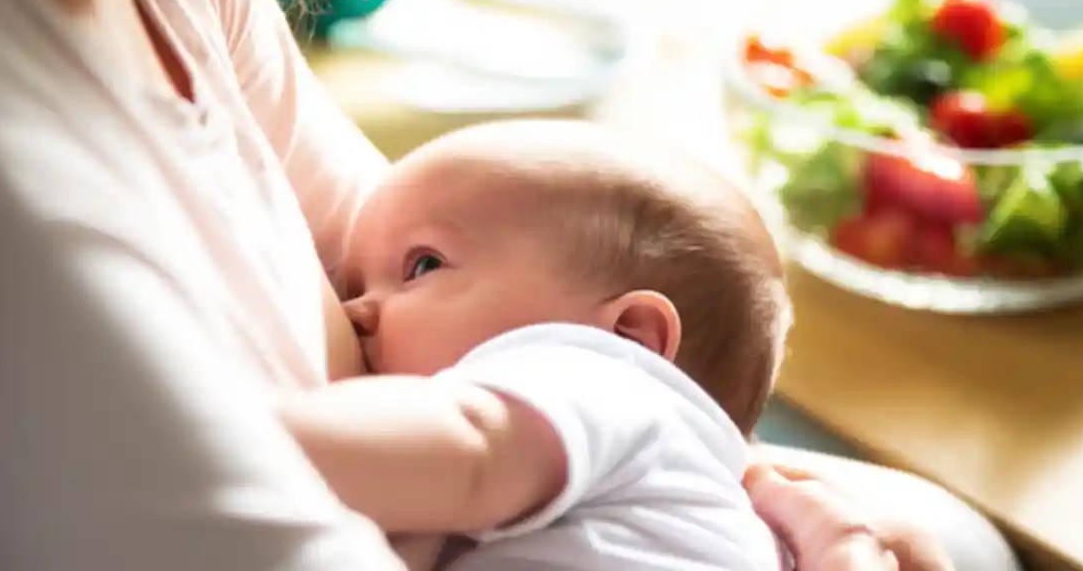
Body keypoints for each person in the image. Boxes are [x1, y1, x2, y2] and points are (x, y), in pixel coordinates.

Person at [0, 0, 1019, 570]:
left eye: (411, 276)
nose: (366, 310)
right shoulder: (9, 219)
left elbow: (496, 334)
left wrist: (742, 474)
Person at [280, 119, 790, 569]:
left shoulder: (605, 379)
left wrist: (234, 434)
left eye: (423, 265)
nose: (354, 313)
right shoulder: (709, 508)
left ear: (630, 336)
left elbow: (468, 443)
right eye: (354, 288)